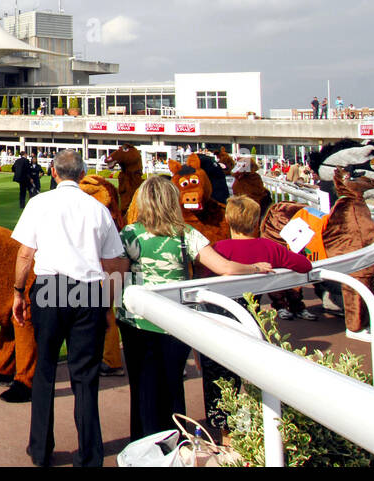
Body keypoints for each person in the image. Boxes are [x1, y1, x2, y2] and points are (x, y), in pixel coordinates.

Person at [115, 182, 273, 444]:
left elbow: (117, 279)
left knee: (142, 390)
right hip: (177, 323)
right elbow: (225, 267)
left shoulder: (130, 234)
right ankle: (177, 445)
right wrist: (255, 268)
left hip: (136, 323)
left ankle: (143, 448)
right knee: (173, 387)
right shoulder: (185, 233)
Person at [11, 150, 129, 467]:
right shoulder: (97, 208)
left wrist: (18, 292)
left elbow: (25, 255)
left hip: (50, 288)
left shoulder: (39, 203)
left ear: (53, 172)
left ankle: (40, 450)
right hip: (87, 291)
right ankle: (89, 454)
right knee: (85, 378)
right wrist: (109, 303)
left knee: (46, 370)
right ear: (82, 173)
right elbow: (116, 263)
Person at [201, 196, 313, 436]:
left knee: (218, 377)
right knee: (247, 377)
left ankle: (226, 435)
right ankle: (245, 433)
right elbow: (304, 266)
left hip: (218, 320)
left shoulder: (219, 249)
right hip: (249, 319)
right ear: (256, 221)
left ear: (228, 219)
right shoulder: (269, 248)